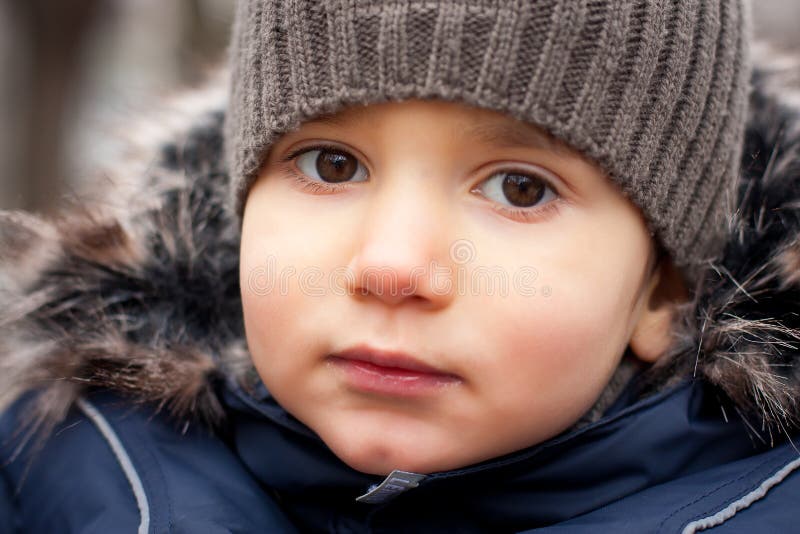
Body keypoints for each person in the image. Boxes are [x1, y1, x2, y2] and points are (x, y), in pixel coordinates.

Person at [2, 1, 799, 532]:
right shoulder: (60, 475)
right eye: (331, 165)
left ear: (661, 292)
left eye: (519, 188)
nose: (392, 266)